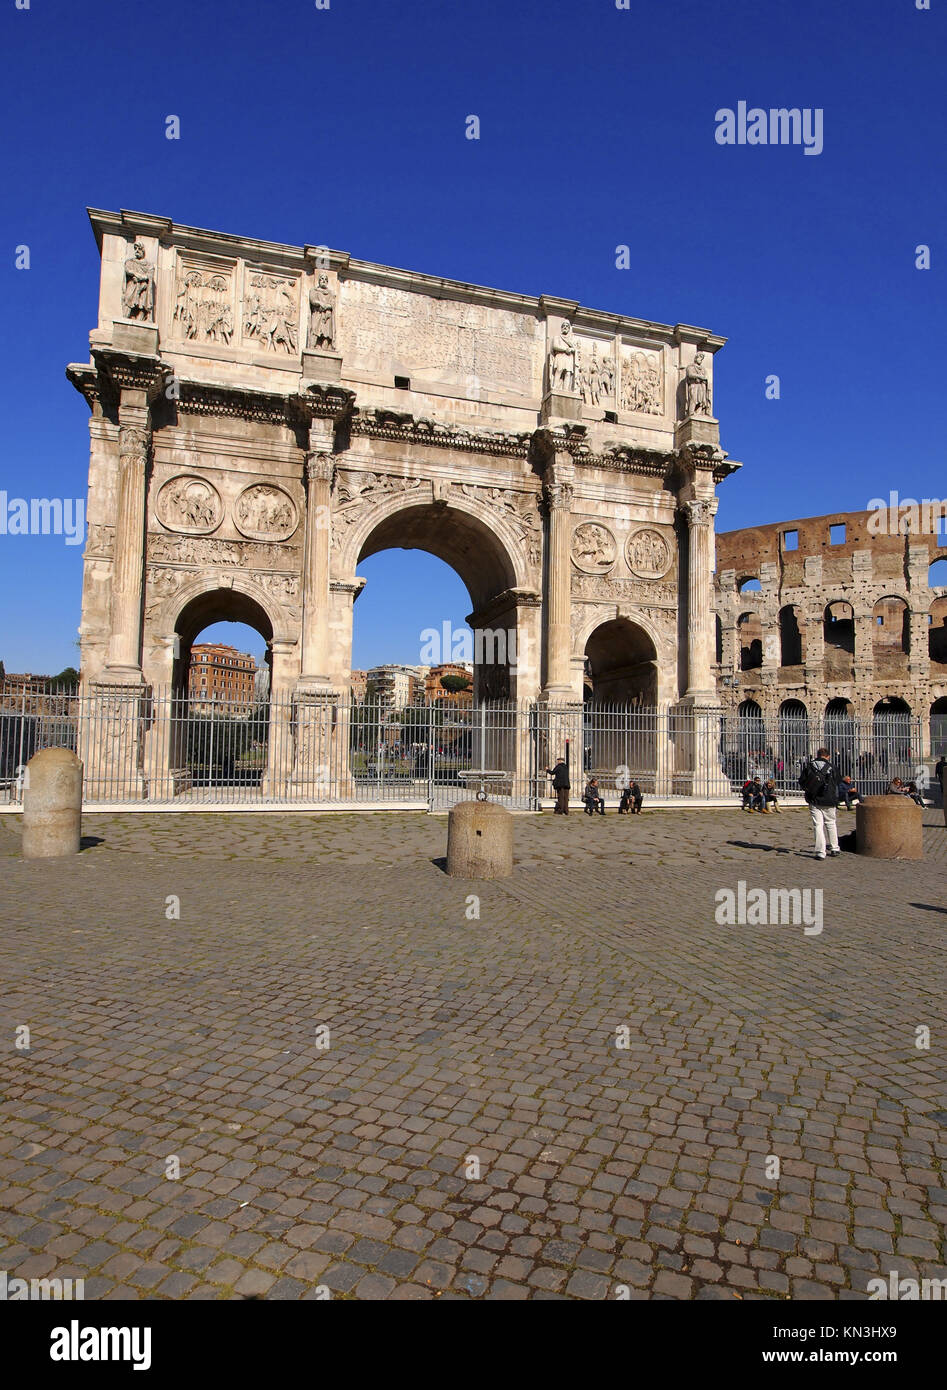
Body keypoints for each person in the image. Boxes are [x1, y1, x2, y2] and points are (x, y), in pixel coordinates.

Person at [799, 747, 841, 859]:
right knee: (831, 823)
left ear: (817, 755)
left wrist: (809, 790)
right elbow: (838, 782)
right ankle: (835, 848)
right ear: (828, 756)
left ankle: (820, 852)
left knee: (818, 825)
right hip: (829, 799)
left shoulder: (809, 766)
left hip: (814, 799)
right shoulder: (832, 767)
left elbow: (802, 782)